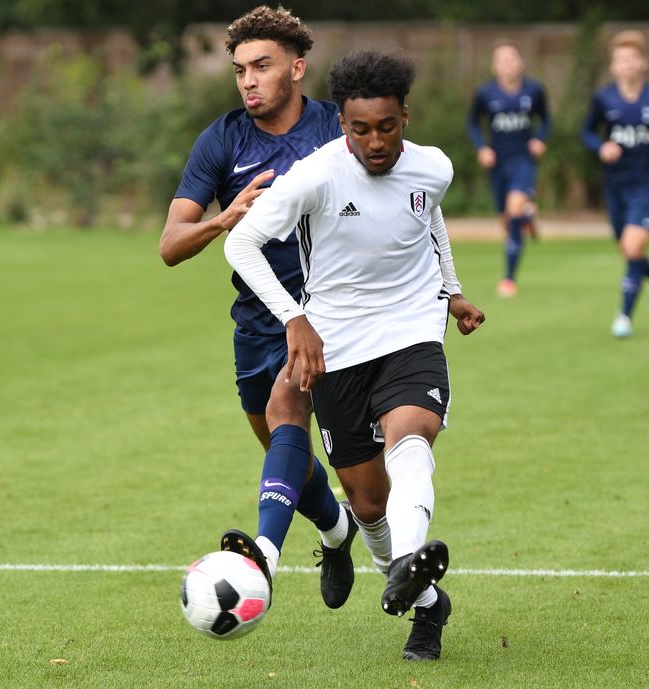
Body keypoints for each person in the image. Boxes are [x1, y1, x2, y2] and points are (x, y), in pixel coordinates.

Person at [226, 49, 485, 661]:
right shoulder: (314, 176)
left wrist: (450, 290)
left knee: (411, 441)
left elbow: (430, 218)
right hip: (338, 346)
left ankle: (410, 563)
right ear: (341, 122)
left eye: (387, 127)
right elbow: (242, 242)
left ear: (405, 117)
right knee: (369, 506)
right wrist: (296, 318)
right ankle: (426, 601)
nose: (375, 142)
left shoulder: (434, 167)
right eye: (359, 129)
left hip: (412, 333)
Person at [158, 6, 357, 609]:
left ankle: (261, 561)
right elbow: (170, 246)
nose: (247, 80)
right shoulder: (222, 139)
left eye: (262, 66)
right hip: (256, 323)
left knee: (286, 409)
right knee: (283, 448)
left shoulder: (336, 130)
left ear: (296, 69)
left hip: (330, 315)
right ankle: (337, 530)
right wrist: (224, 219)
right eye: (240, 69)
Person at [581, 31, 649, 338]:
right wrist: (601, 146)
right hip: (615, 185)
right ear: (613, 66)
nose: (627, 64)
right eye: (621, 59)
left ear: (643, 63)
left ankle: (624, 316)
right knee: (629, 252)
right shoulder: (604, 99)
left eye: (632, 59)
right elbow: (587, 132)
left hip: (646, 183)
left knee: (633, 245)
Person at [467, 40, 551, 297]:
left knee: (513, 212)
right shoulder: (485, 94)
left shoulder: (534, 91)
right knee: (508, 221)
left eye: (512, 59)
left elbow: (546, 119)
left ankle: (508, 279)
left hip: (523, 161)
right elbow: (472, 122)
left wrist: (540, 139)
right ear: (494, 67)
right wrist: (482, 147)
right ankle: (527, 216)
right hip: (498, 164)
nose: (508, 65)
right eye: (502, 60)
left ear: (521, 63)